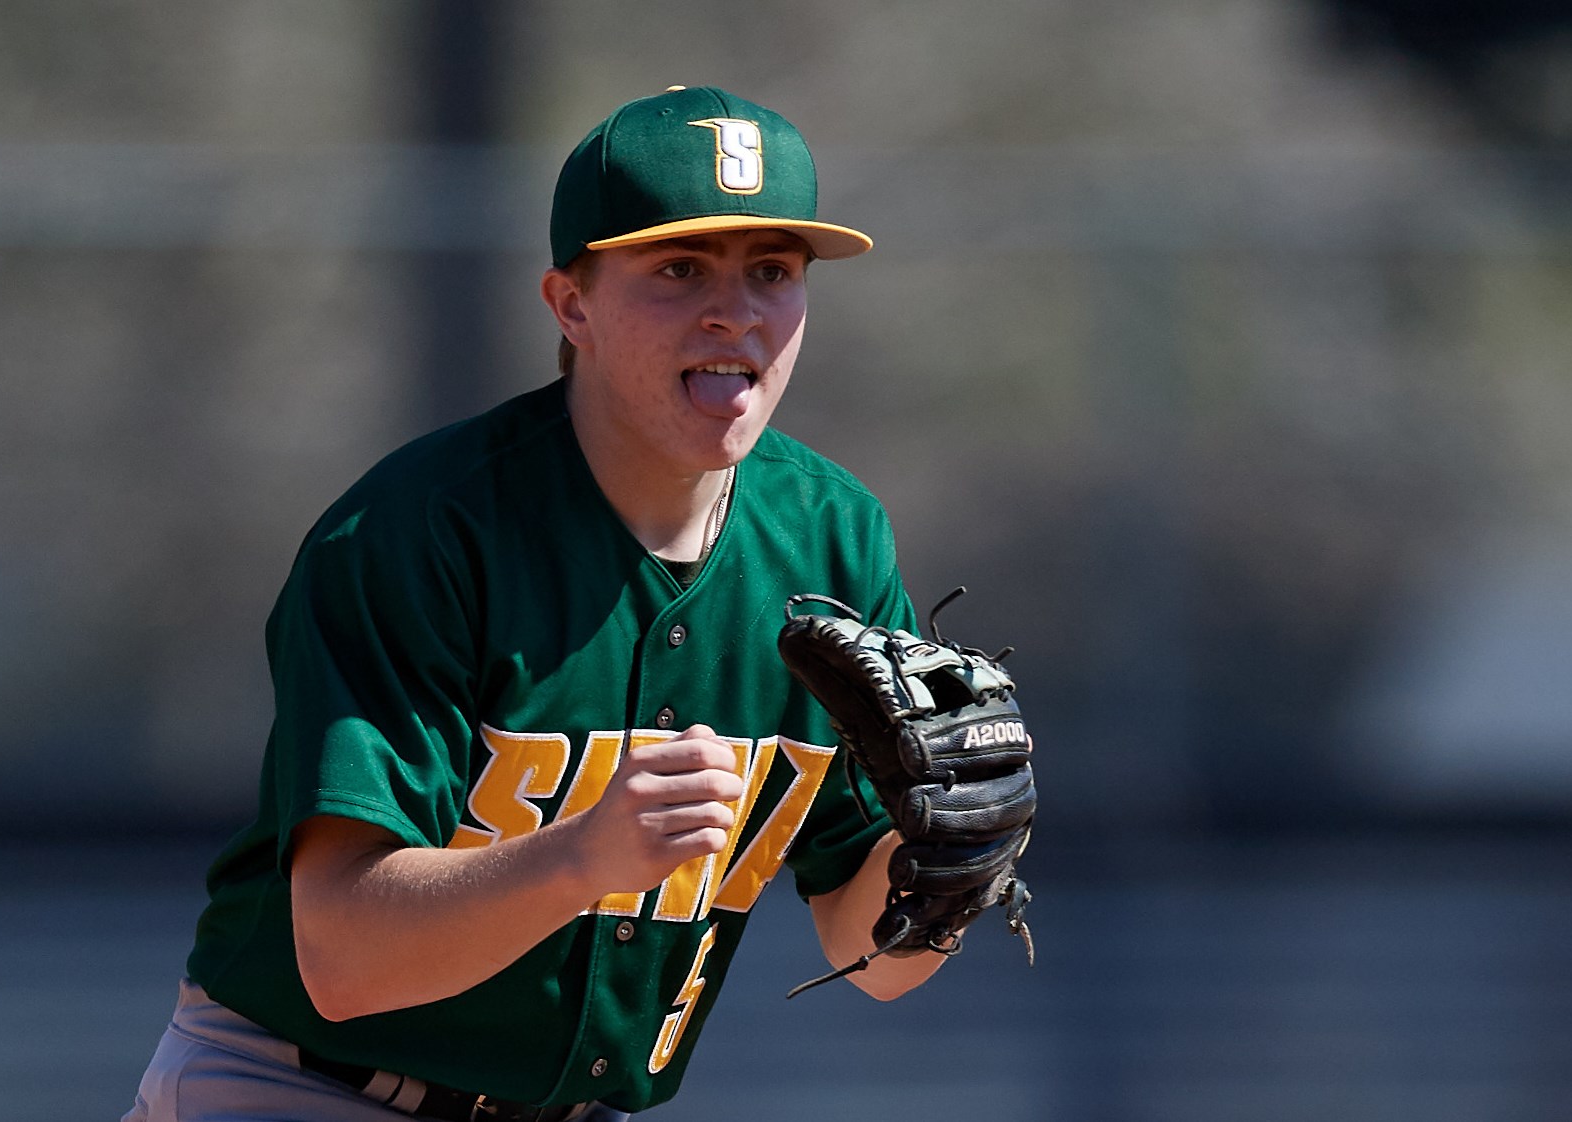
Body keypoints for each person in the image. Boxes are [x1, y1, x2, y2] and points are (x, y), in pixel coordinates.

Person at [126, 85, 953, 1122]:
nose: (736, 311)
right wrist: (584, 854)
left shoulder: (833, 541)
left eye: (773, 271)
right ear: (571, 306)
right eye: (680, 268)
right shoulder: (419, 531)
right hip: (305, 1085)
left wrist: (953, 863)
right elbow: (343, 958)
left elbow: (870, 953)